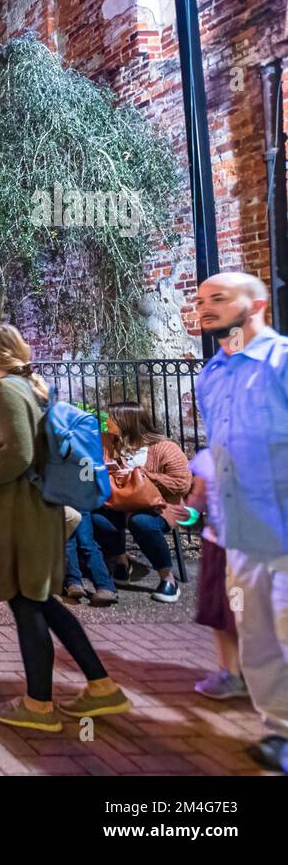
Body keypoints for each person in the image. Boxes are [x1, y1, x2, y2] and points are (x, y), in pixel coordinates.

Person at [0, 321, 128, 732]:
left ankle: (39, 705)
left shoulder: (6, 390)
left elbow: (18, 455)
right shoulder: (23, 387)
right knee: (40, 602)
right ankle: (100, 686)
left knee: (28, 604)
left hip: (17, 517)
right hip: (30, 513)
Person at [193, 271, 288, 773]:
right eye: (201, 300)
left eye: (218, 299)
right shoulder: (212, 373)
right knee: (257, 639)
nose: (204, 308)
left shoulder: (281, 362)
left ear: (255, 304)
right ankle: (281, 732)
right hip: (237, 534)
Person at [161, 447, 246, 700]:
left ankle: (234, 673)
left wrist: (188, 514)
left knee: (228, 610)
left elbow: (197, 503)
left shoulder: (212, 456)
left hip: (228, 547)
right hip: (251, 547)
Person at [91, 400, 192, 603]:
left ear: (127, 421)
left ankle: (168, 579)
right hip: (120, 502)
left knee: (141, 522)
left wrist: (141, 476)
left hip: (160, 506)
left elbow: (182, 483)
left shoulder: (165, 448)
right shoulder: (108, 442)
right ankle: (121, 561)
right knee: (97, 518)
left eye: (111, 418)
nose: (106, 422)